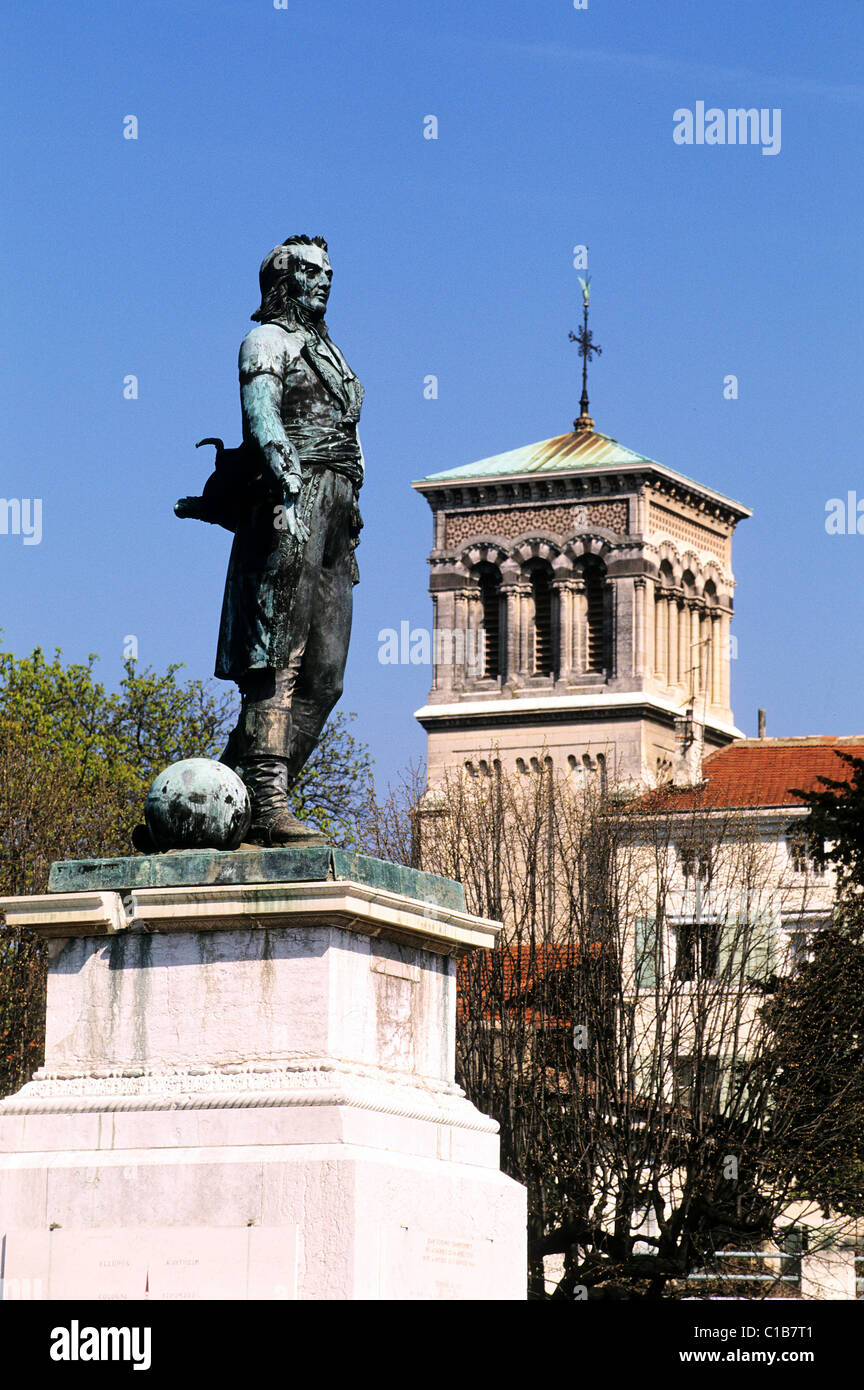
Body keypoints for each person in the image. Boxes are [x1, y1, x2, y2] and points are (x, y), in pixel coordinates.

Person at [214, 235, 365, 844]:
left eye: (328, 271)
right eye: (308, 271)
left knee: (326, 674)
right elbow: (263, 419)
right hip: (292, 501)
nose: (323, 280)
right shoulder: (266, 341)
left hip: (340, 517)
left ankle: (231, 788)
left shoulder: (328, 352)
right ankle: (269, 802)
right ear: (282, 280)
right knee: (277, 657)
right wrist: (287, 490)